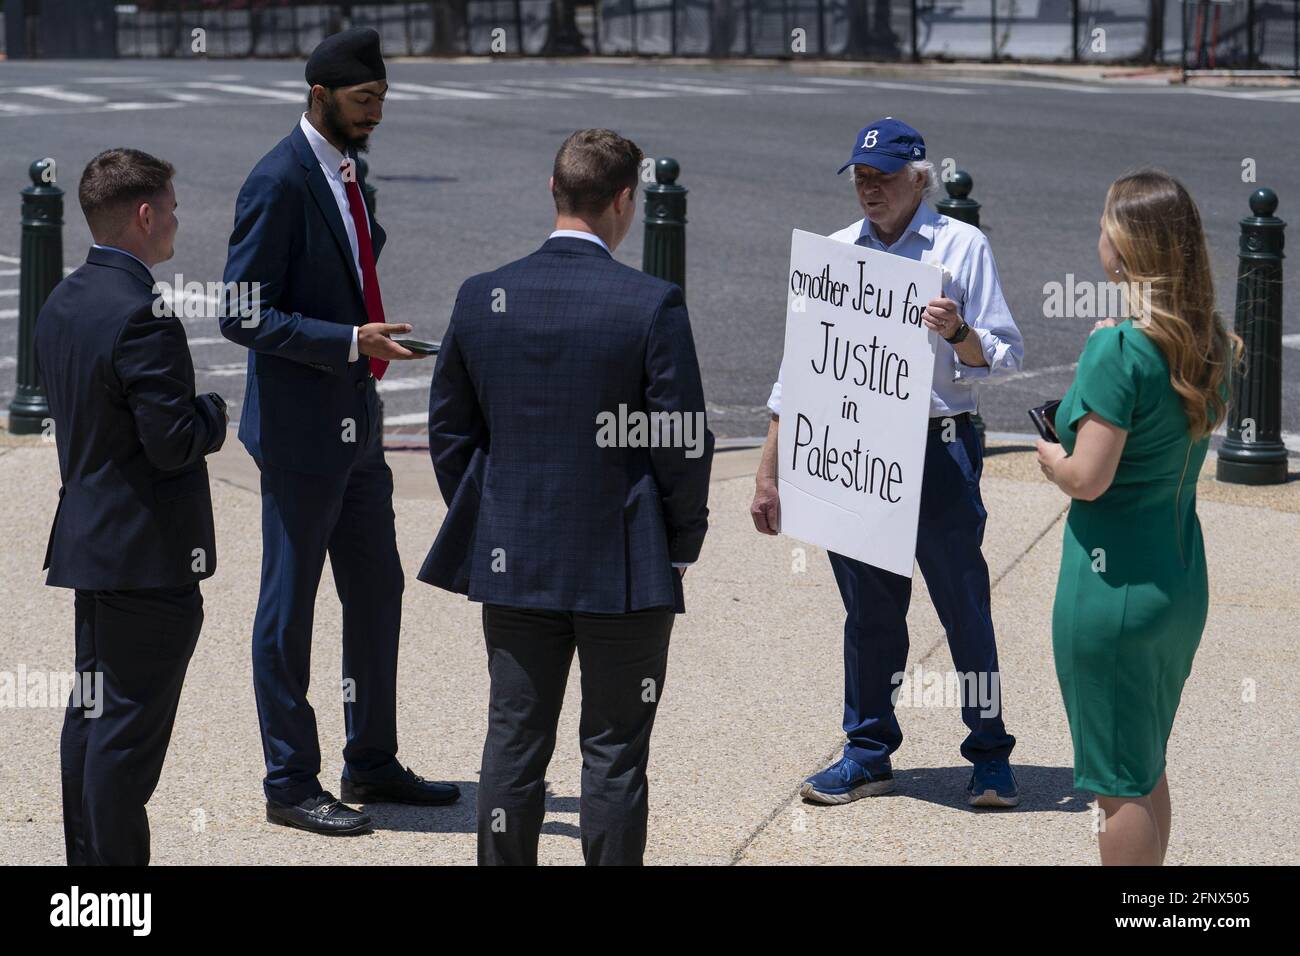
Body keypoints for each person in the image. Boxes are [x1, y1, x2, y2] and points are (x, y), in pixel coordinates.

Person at [421, 129, 714, 865]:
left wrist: (494, 514)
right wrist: (681, 543)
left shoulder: (483, 296)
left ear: (552, 193)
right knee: (614, 752)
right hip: (623, 564)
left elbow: (451, 431)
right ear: (625, 201)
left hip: (514, 552)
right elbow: (681, 440)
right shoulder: (650, 303)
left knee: (513, 743)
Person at [221, 26, 457, 837]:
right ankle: (289, 780)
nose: (376, 114)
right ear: (319, 94)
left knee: (378, 590)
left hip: (356, 421)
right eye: (364, 101)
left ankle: (371, 761)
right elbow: (240, 314)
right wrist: (343, 340)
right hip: (298, 434)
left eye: (383, 100)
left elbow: (348, 271)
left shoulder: (350, 172)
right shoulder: (277, 180)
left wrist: (366, 332)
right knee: (287, 610)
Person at [751, 118, 1026, 807]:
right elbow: (799, 373)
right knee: (869, 615)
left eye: (883, 178)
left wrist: (958, 331)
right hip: (855, 448)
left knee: (964, 608)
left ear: (918, 179)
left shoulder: (961, 246)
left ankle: (990, 754)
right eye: (861, 178)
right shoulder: (837, 255)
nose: (869, 190)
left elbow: (1003, 355)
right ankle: (868, 753)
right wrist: (767, 471)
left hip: (937, 447)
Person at [1037, 169, 1238, 866]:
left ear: (1124, 250)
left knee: (1116, 784)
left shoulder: (1117, 350)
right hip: (1178, 579)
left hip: (1113, 589)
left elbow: (1087, 478)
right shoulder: (1208, 341)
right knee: (1143, 764)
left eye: (1106, 225)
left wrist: (1047, 456)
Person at [36, 148, 227, 865]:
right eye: (172, 207)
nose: (177, 218)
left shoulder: (63, 299)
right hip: (146, 559)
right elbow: (172, 441)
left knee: (91, 721)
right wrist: (212, 412)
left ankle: (87, 885)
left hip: (92, 547)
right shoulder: (143, 315)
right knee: (124, 739)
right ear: (144, 216)